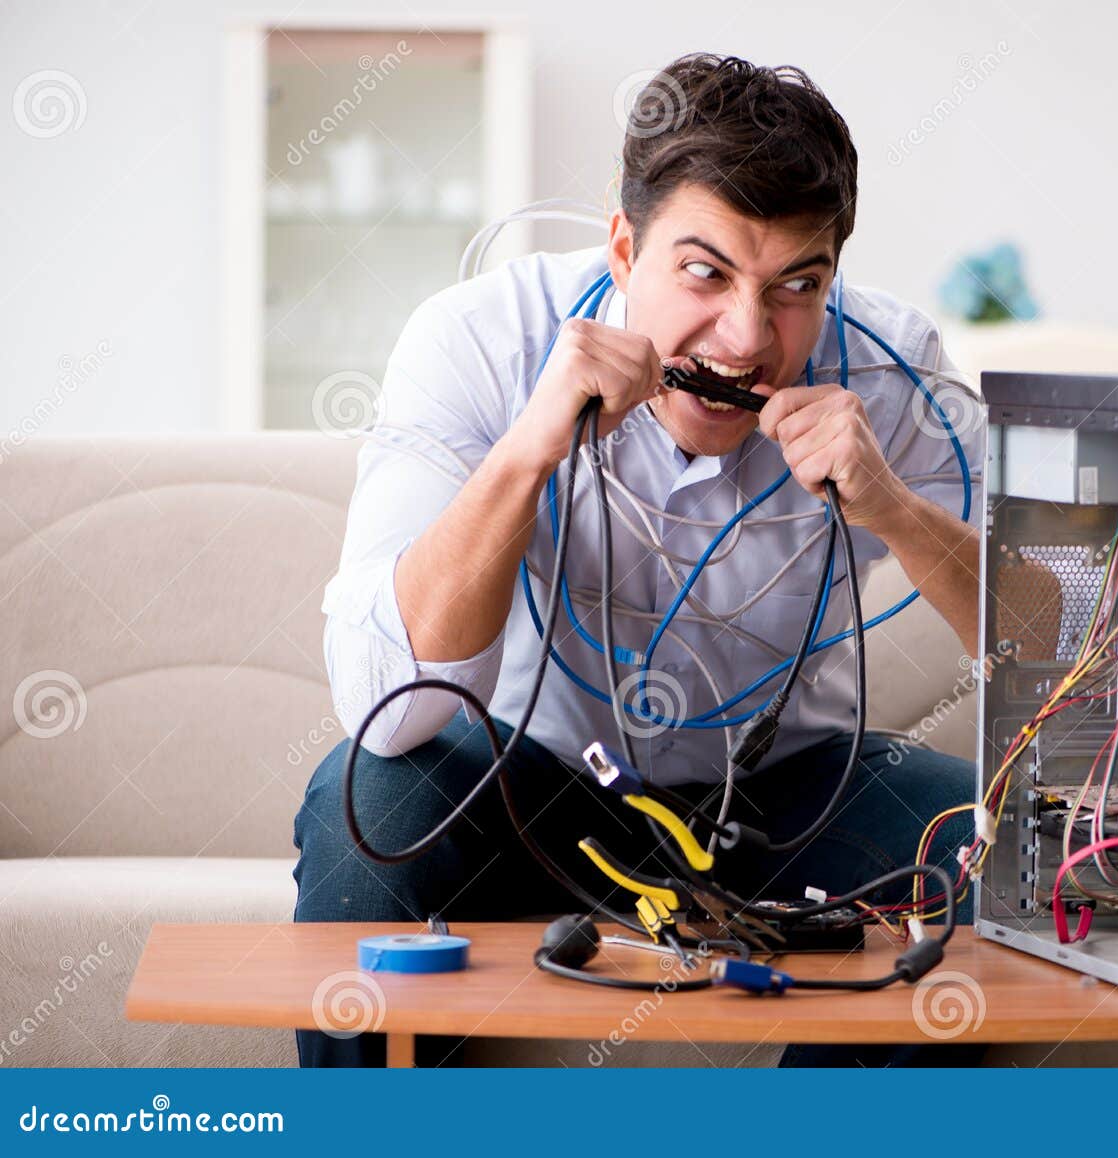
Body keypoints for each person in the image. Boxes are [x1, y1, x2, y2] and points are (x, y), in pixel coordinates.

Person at [293, 52, 985, 1067]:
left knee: (980, 836)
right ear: (623, 248)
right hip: (532, 787)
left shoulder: (895, 373)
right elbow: (392, 706)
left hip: (786, 795)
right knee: (367, 807)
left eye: (797, 284)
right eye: (704, 273)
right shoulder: (477, 341)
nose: (746, 338)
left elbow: (1065, 652)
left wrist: (894, 507)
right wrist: (529, 447)